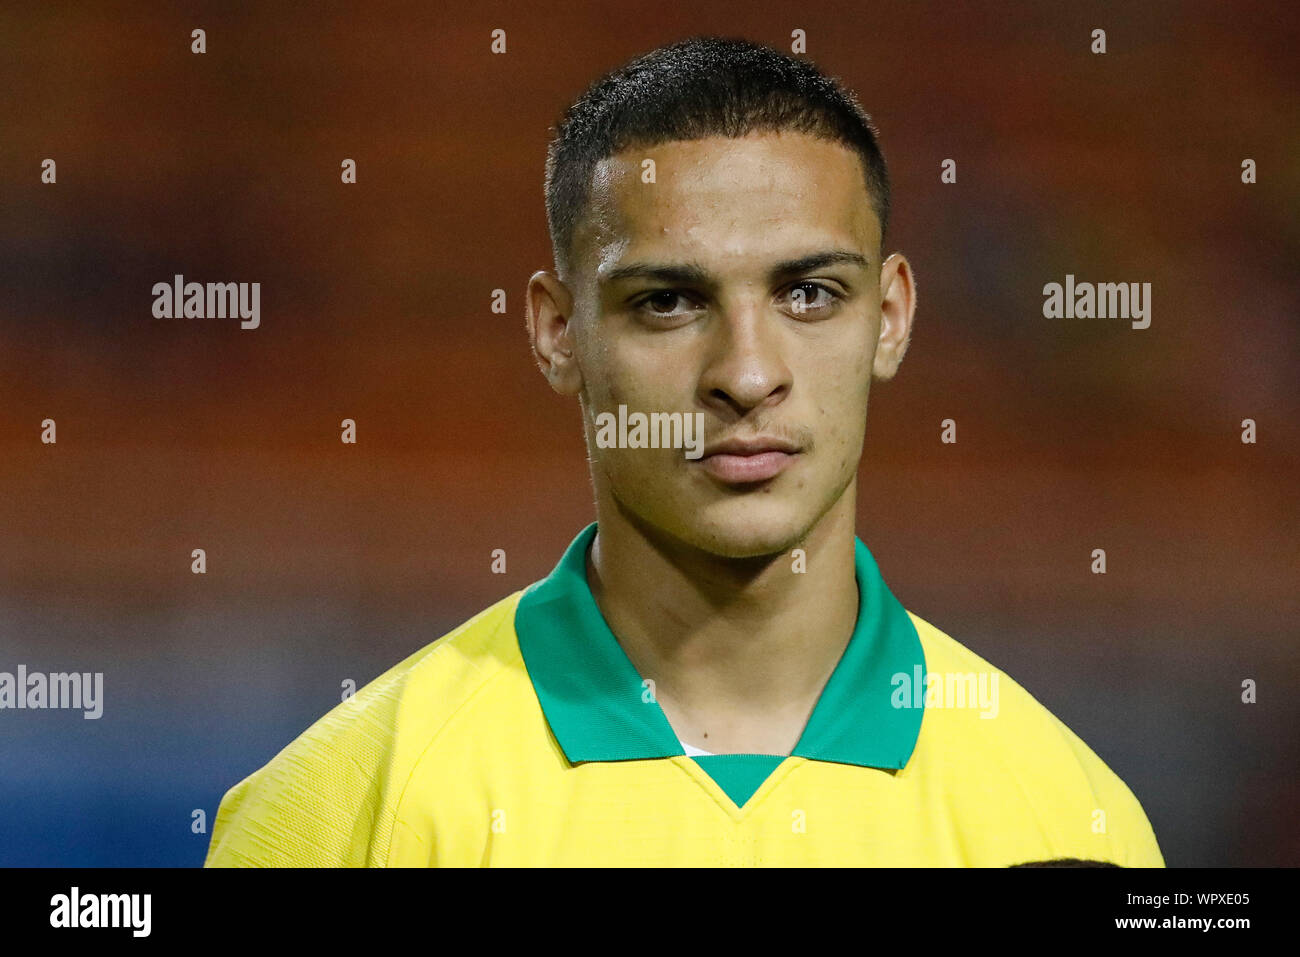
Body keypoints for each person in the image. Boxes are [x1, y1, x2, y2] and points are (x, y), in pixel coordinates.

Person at [205, 35, 1164, 867]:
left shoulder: (1072, 821)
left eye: (810, 294)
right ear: (556, 333)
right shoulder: (341, 814)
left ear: (893, 316)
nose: (747, 375)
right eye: (667, 301)